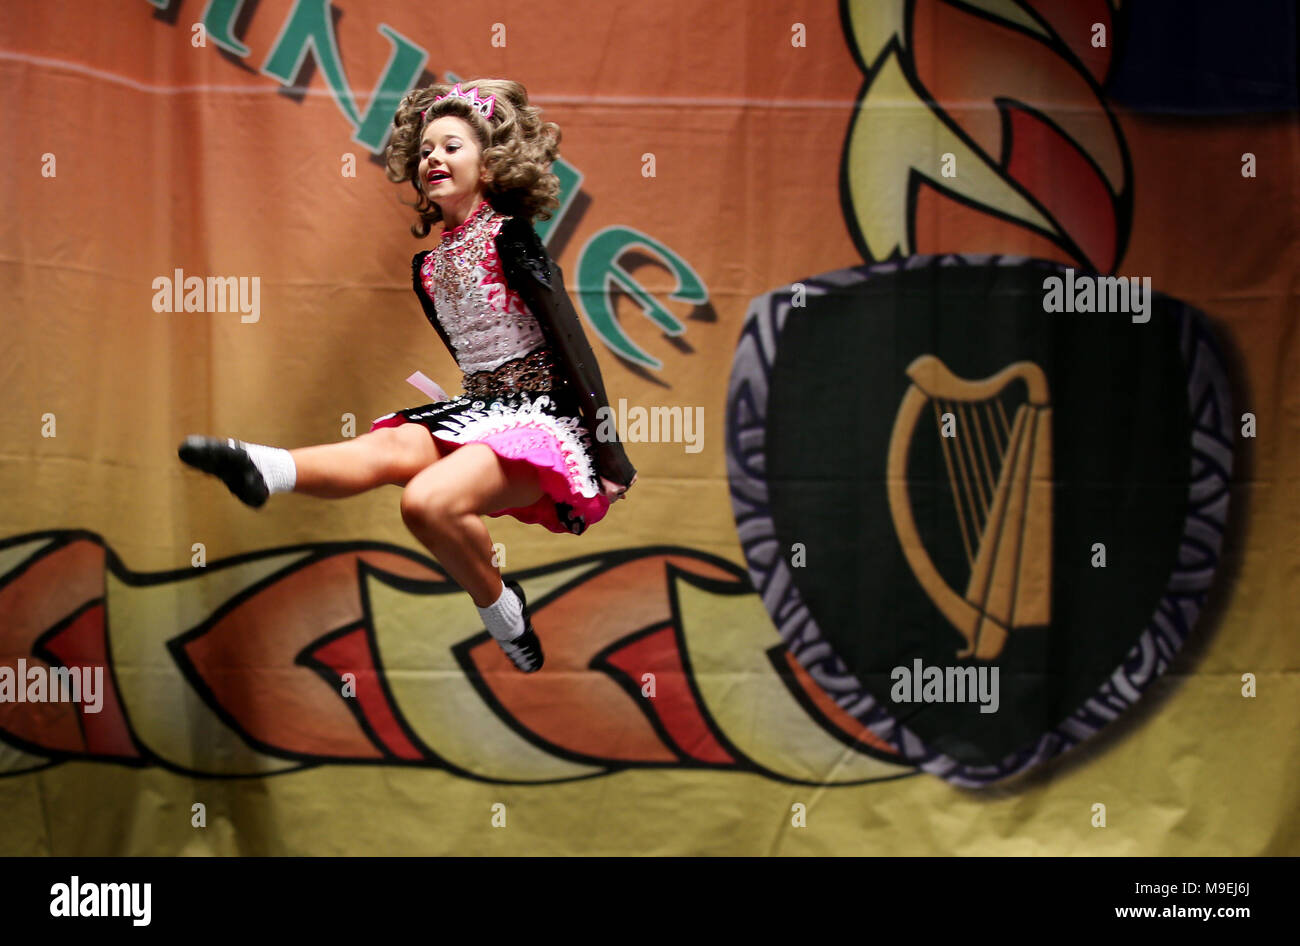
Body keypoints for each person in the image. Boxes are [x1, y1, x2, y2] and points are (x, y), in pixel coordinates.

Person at [177, 78, 637, 674]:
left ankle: (500, 611)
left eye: (451, 147)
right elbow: (472, 355)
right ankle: (264, 467)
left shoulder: (511, 238)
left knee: (425, 502)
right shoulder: (430, 266)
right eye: (425, 151)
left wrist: (611, 456)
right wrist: (464, 418)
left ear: (491, 163)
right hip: (483, 410)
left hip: (543, 425)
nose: (433, 159)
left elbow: (572, 347)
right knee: (387, 446)